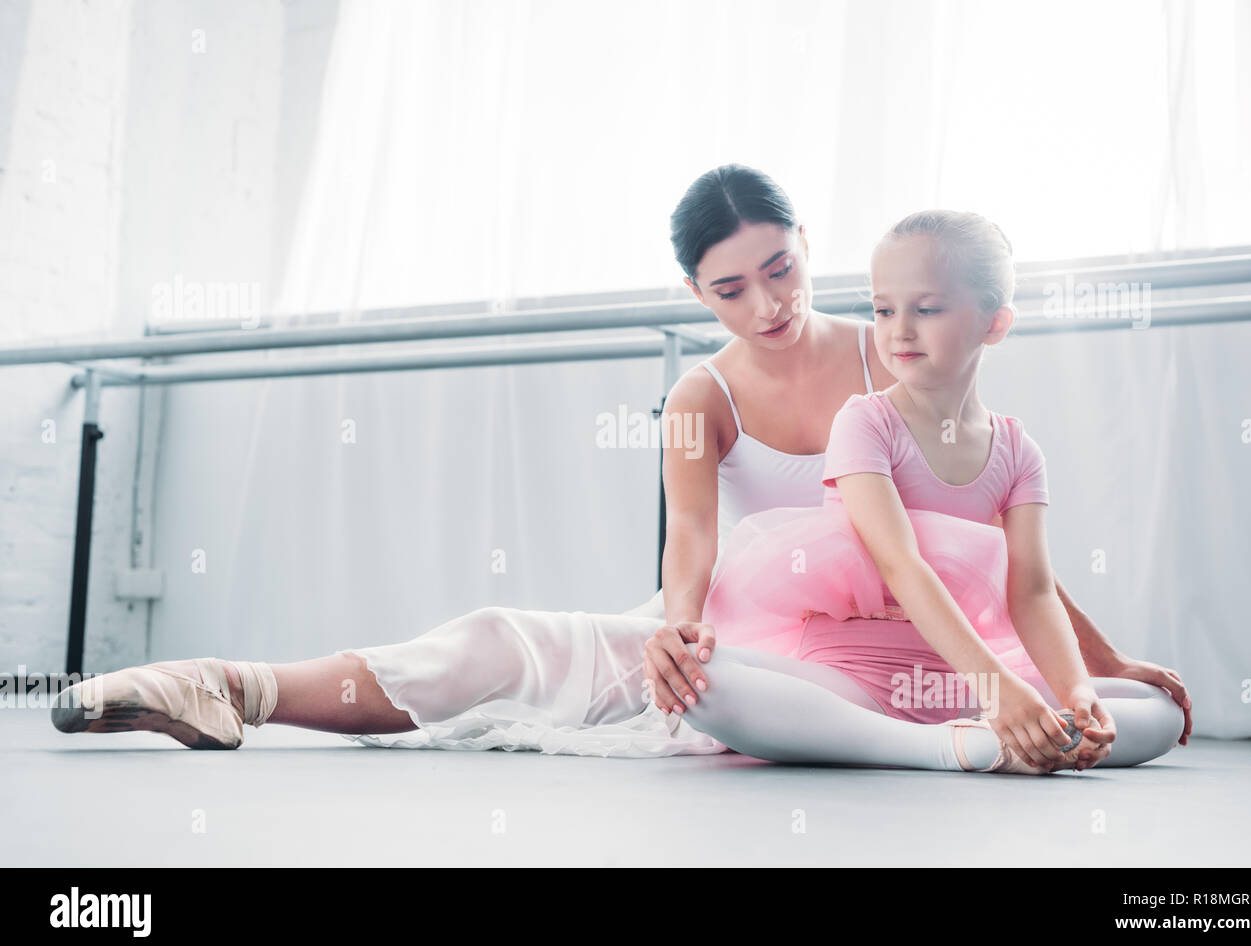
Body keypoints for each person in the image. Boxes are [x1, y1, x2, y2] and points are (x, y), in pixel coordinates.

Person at [50, 165, 1192, 763]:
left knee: (1088, 710)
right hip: (751, 634)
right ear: (696, 294)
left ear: (807, 252)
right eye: (731, 287)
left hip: (922, 644)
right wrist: (679, 628)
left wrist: (1107, 657)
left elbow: (992, 552)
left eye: (781, 269)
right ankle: (236, 686)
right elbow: (689, 539)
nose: (768, 303)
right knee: (508, 644)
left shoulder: (898, 350)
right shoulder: (698, 395)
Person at [671, 209, 1186, 773]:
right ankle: (952, 748)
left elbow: (1033, 589)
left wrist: (1078, 693)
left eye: (928, 310)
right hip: (851, 674)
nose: (899, 331)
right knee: (705, 687)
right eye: (884, 310)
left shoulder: (1019, 451)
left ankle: (999, 736)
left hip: (957, 675)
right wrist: (998, 688)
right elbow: (901, 564)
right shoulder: (864, 422)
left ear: (994, 324)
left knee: (1157, 713)